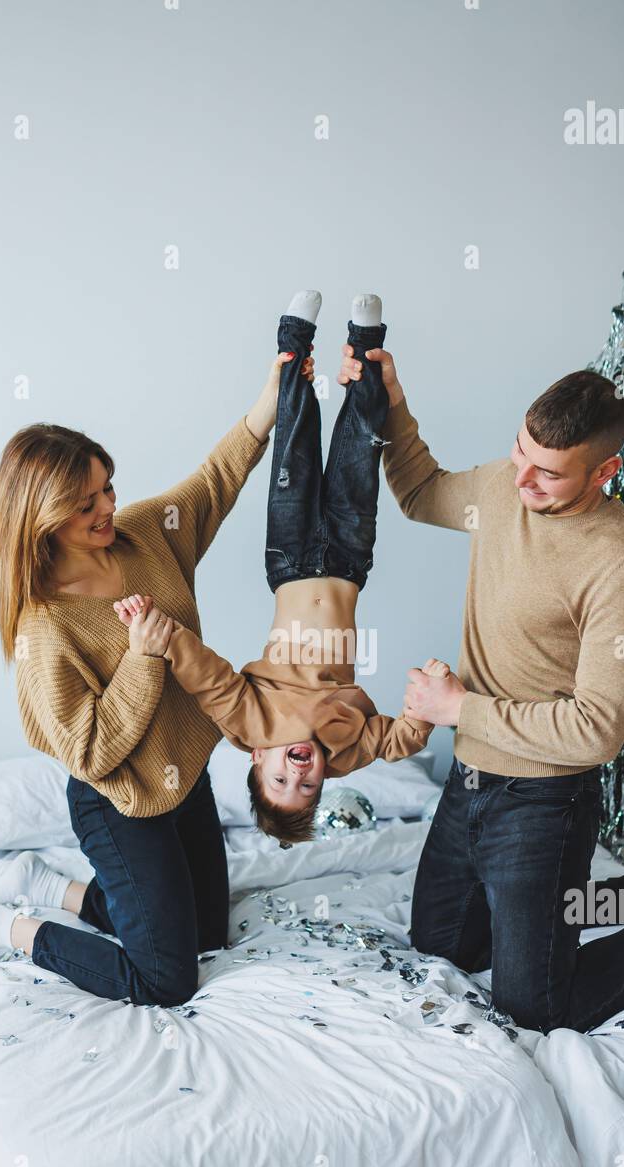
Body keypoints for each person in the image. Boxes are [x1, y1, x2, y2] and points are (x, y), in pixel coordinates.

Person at [338, 344, 624, 1035]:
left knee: (533, 1011)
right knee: (442, 949)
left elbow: (597, 730)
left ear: (604, 472)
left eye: (549, 472)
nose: (521, 478)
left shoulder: (620, 565)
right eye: (519, 452)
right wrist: (392, 401)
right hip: (469, 783)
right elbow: (419, 492)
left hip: (544, 803)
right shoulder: (506, 485)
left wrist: (458, 708)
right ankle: (617, 896)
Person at [0, 352, 297, 1004]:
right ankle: (5, 924)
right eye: (87, 503)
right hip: (120, 802)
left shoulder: (143, 535)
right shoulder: (45, 627)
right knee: (166, 980)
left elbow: (213, 482)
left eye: (108, 486)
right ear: (43, 519)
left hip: (183, 775)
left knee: (208, 937)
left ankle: (61, 890)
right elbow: (90, 752)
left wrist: (270, 403)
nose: (109, 506)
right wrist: (142, 658)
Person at [113, 290, 439, 845]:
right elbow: (400, 741)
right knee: (359, 453)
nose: (298, 772)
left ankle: (294, 338)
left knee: (294, 447)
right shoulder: (348, 751)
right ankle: (366, 341)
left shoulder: (249, 724)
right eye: (306, 787)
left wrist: (161, 634)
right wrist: (427, 704)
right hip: (348, 561)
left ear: (258, 758)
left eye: (280, 779)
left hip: (289, 561)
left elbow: (208, 678)